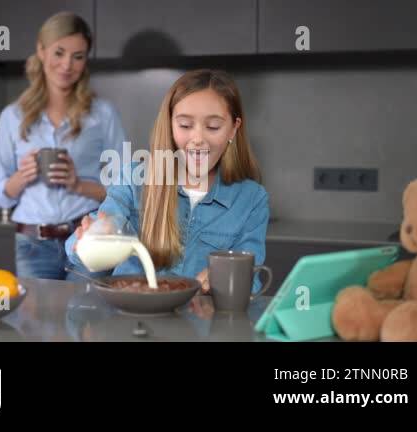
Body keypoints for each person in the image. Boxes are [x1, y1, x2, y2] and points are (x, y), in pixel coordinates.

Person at [65, 69, 269, 293]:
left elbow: (253, 281)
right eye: (185, 125)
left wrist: (226, 277)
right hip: (131, 319)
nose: (198, 139)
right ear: (170, 125)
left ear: (233, 129)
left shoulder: (252, 199)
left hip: (202, 323)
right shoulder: (134, 179)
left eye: (213, 127)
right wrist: (97, 234)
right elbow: (79, 254)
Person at [0, 12, 126, 280]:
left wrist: (78, 184)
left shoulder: (103, 114)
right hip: (30, 245)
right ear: (41, 50)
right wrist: (20, 178)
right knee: (34, 323)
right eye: (59, 53)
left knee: (88, 318)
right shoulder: (12, 117)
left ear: (85, 61)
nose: (67, 65)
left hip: (88, 241)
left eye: (78, 56)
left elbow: (125, 189)